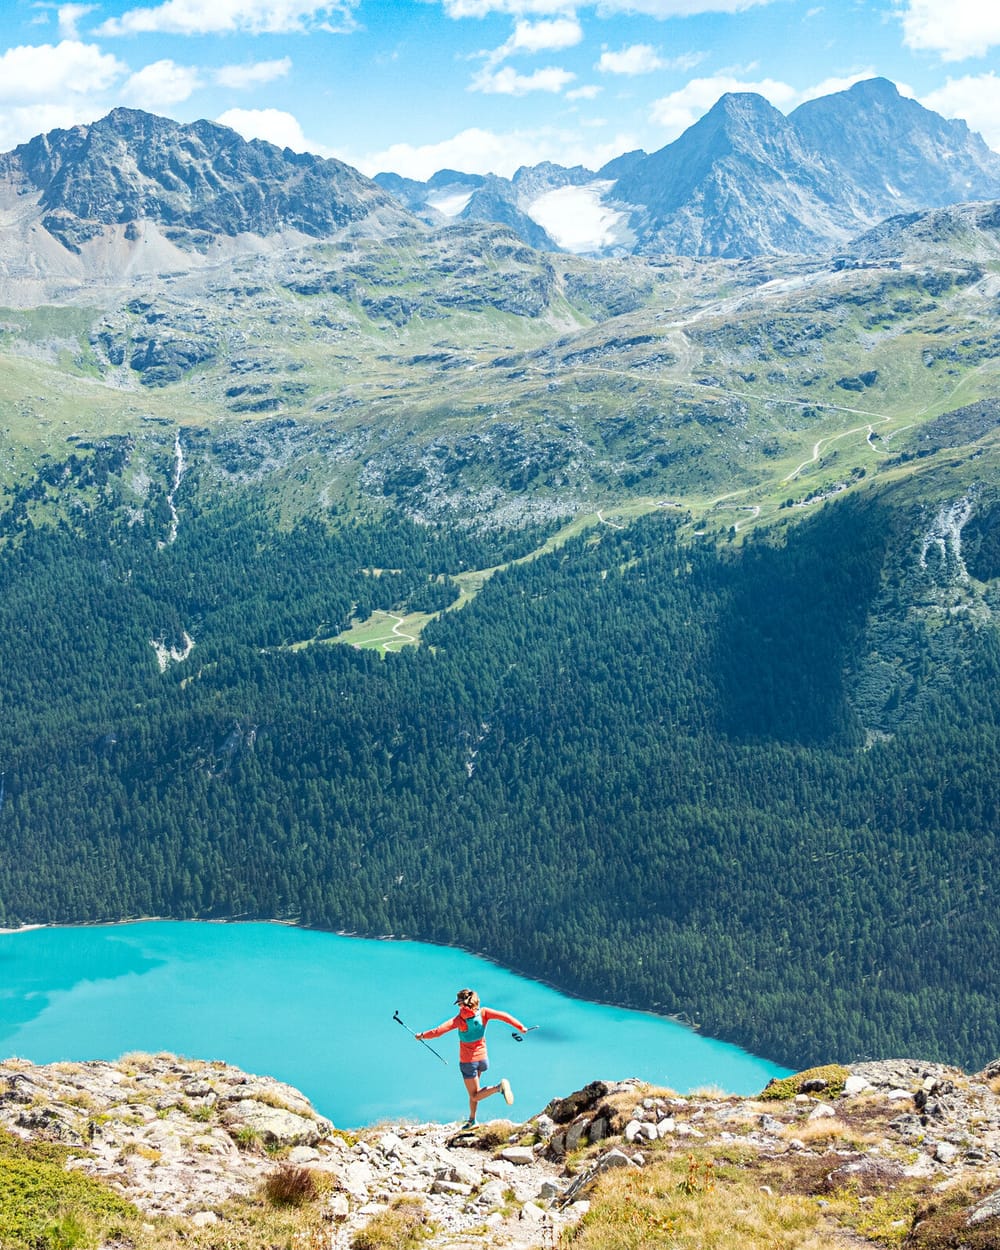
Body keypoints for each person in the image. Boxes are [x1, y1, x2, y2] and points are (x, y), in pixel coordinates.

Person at [416, 988, 527, 1127]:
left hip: (468, 1062)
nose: (459, 1007)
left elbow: (437, 1032)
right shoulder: (484, 1013)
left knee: (474, 1095)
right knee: (475, 1091)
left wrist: (421, 1035)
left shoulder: (459, 1020)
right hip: (483, 1059)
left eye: (459, 1004)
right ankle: (472, 1120)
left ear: (463, 1004)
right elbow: (504, 1016)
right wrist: (521, 1027)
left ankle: (499, 1088)